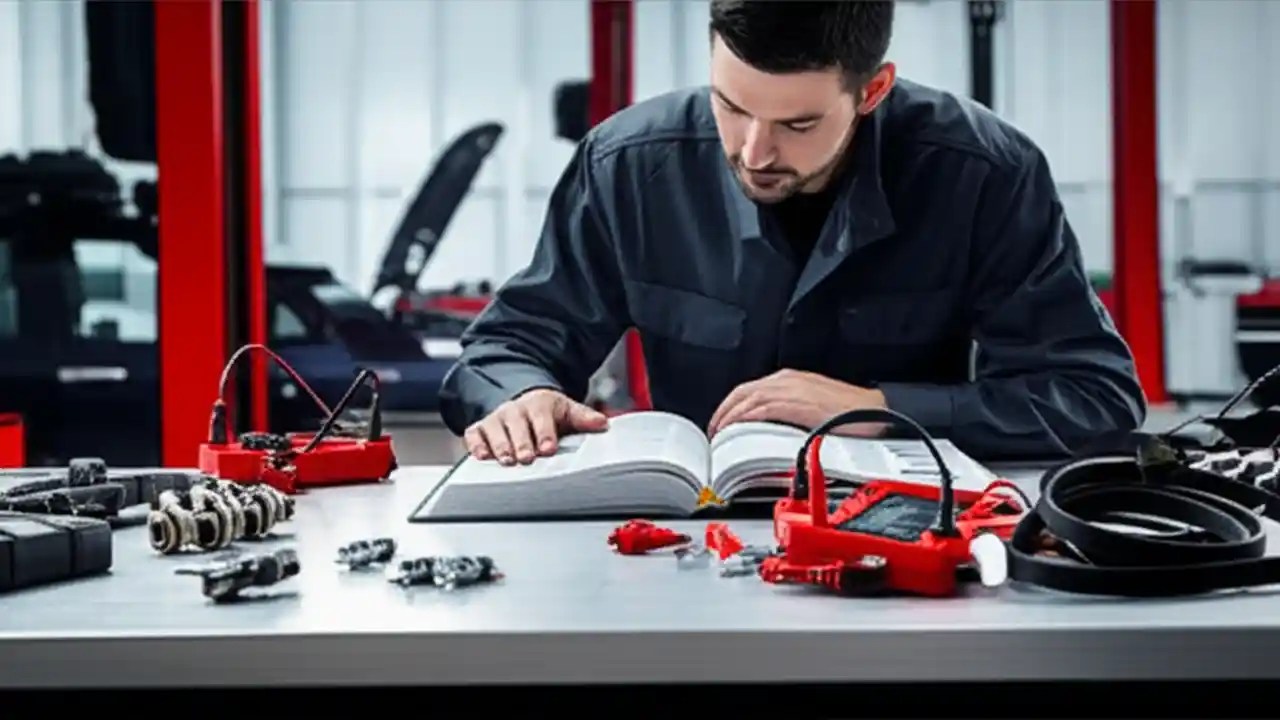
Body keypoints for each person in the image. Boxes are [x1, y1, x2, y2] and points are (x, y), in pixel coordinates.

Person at [438, 0, 1146, 466]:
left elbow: (1095, 398)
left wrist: (883, 411)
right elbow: (505, 349)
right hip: (685, 541)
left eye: (797, 125)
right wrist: (518, 398)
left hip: (907, 540)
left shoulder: (984, 174)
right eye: (731, 106)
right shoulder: (627, 166)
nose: (752, 152)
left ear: (872, 90)